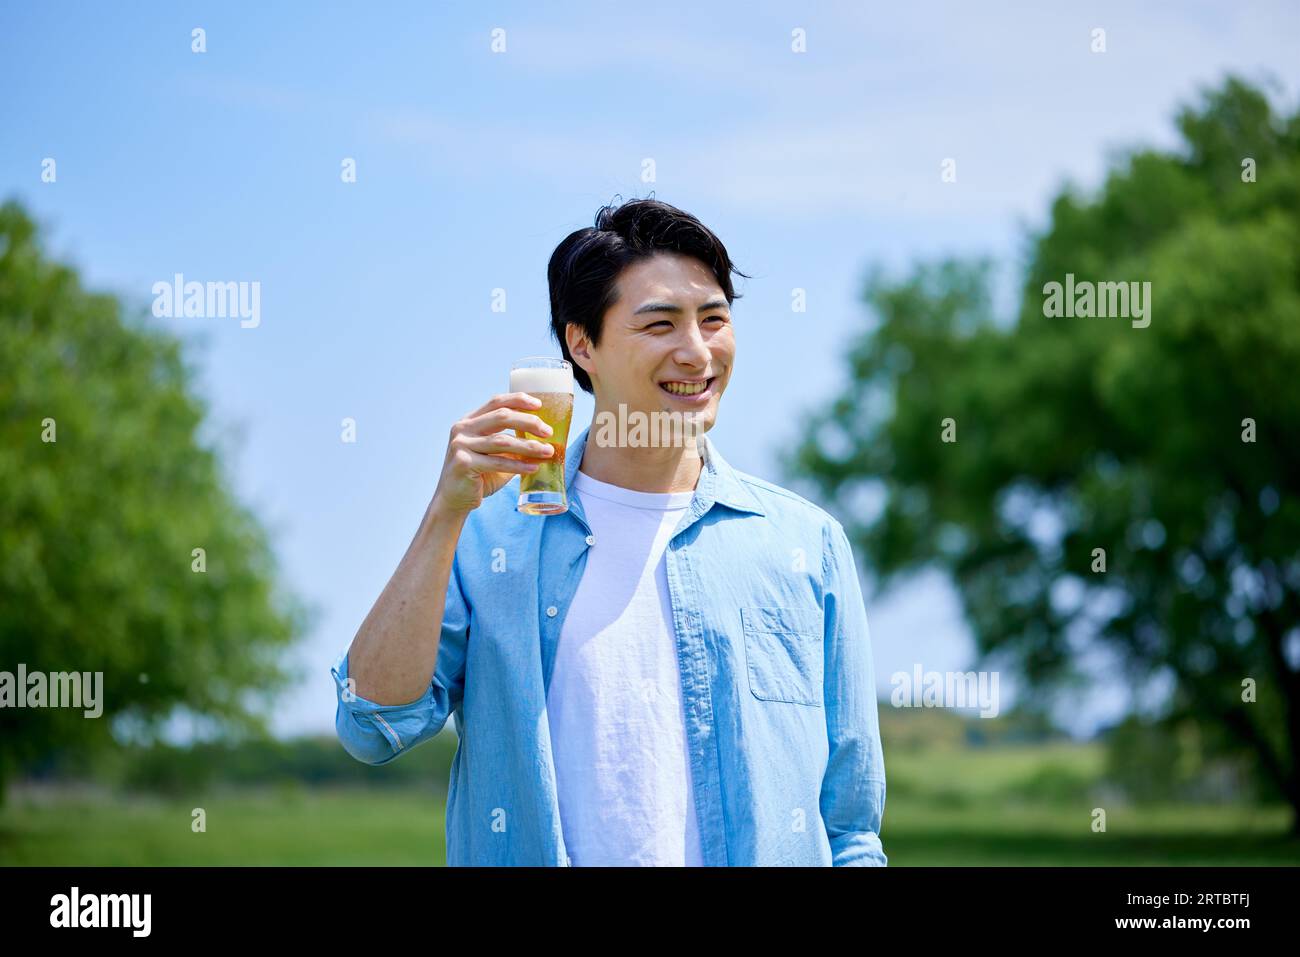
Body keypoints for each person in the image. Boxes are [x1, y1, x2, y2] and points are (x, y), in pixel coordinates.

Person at [332, 197, 887, 866]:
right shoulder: (488, 539)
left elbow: (851, 828)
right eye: (660, 324)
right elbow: (373, 725)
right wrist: (443, 514)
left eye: (715, 319)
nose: (696, 350)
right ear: (581, 344)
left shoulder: (806, 545)